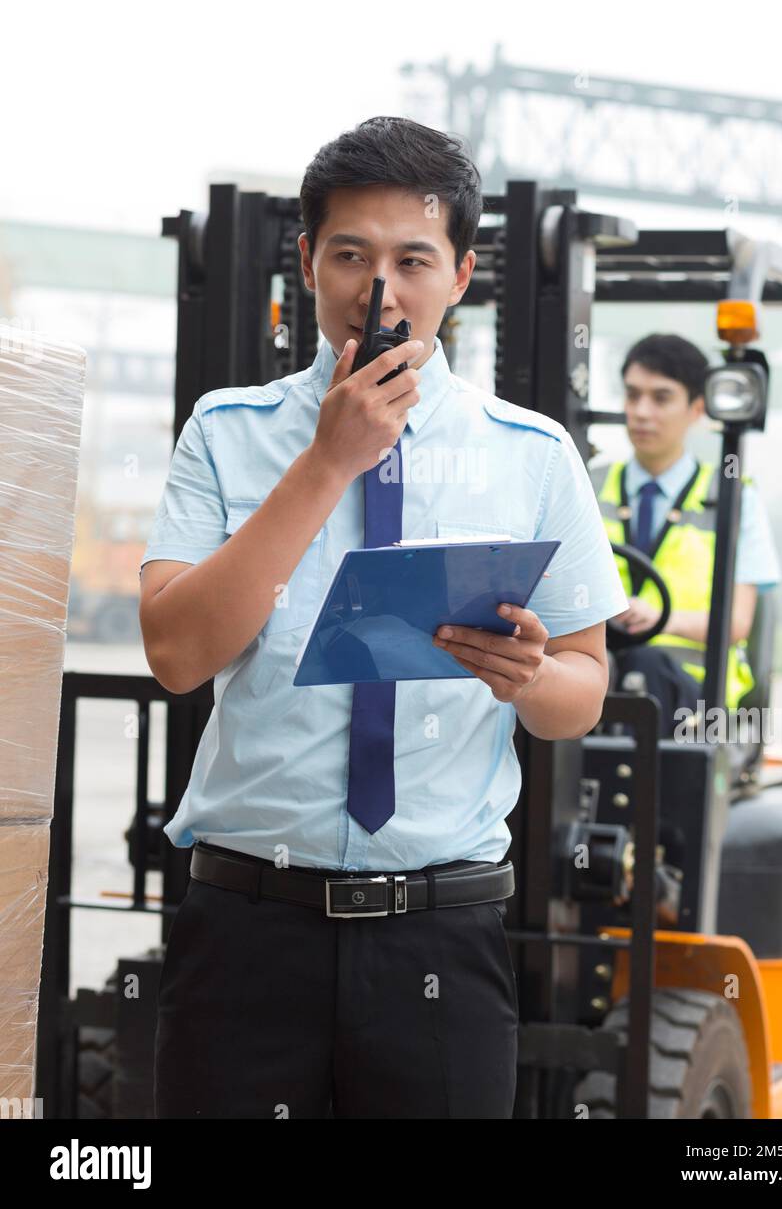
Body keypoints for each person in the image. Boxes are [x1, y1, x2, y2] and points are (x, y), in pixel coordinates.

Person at [139, 115, 629, 1119]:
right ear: (308, 262)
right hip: (247, 926)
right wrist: (327, 462)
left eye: (412, 258)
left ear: (460, 273)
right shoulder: (227, 433)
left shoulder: (529, 456)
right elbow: (178, 654)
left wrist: (530, 675)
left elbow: (579, 695)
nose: (382, 288)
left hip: (437, 936)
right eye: (351, 255)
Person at [590, 332, 782, 738]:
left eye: (660, 398)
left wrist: (662, 620)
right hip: (601, 675)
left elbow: (736, 622)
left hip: (698, 700)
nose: (641, 412)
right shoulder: (587, 486)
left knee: (646, 668)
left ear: (697, 408)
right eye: (632, 395)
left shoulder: (731, 497)